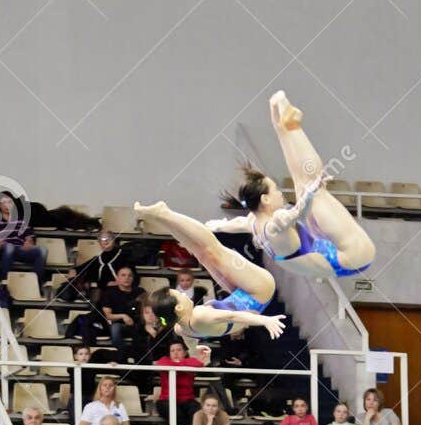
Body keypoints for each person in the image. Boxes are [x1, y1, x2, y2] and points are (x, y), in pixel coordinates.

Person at [207, 94, 375, 286]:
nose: (280, 192)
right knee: (313, 190)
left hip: (339, 257)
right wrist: (310, 194)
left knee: (305, 185)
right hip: (352, 256)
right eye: (275, 190)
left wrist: (215, 226)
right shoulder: (274, 225)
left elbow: (236, 223)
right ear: (265, 200)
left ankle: (284, 128)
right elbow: (297, 213)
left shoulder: (254, 222)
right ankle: (289, 128)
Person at [133, 201, 285, 344]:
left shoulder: (181, 327)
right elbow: (233, 315)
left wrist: (195, 351)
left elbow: (190, 340)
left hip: (241, 293)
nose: (185, 293)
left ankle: (161, 217)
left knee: (202, 254)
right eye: (181, 295)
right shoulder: (199, 316)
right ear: (178, 308)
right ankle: (164, 213)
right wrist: (265, 321)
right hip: (259, 289)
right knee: (213, 249)